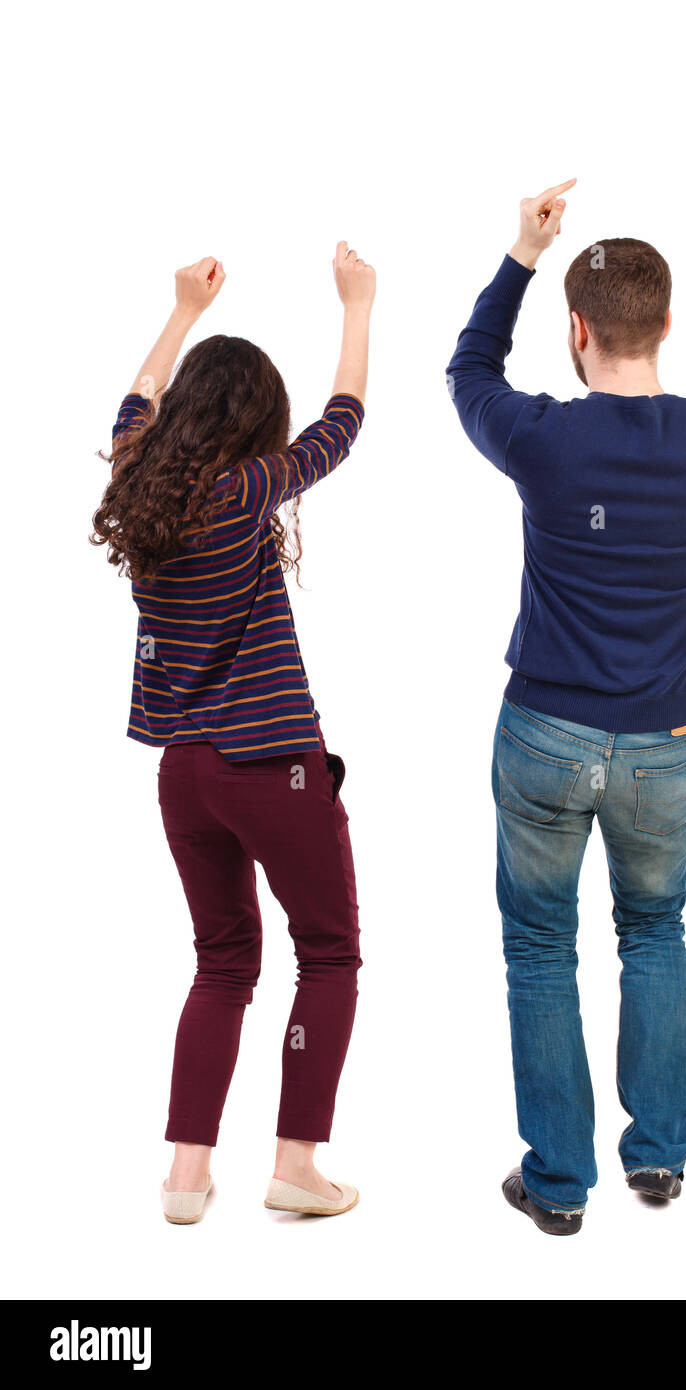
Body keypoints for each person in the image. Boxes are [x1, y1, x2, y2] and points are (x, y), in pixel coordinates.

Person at [446, 158, 686, 1235]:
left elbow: (467, 367)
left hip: (542, 734)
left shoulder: (539, 436)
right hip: (666, 740)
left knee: (539, 945)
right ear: (667, 325)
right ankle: (659, 1159)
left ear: (579, 331)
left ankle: (560, 1184)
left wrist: (522, 252)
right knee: (654, 929)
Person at [92, 244, 375, 1224]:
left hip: (184, 776)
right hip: (273, 767)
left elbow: (133, 406)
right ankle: (296, 1161)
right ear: (258, 423)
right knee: (328, 953)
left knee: (221, 962)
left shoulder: (139, 485)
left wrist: (178, 312)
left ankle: (184, 1175)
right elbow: (343, 426)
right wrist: (359, 304)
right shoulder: (250, 488)